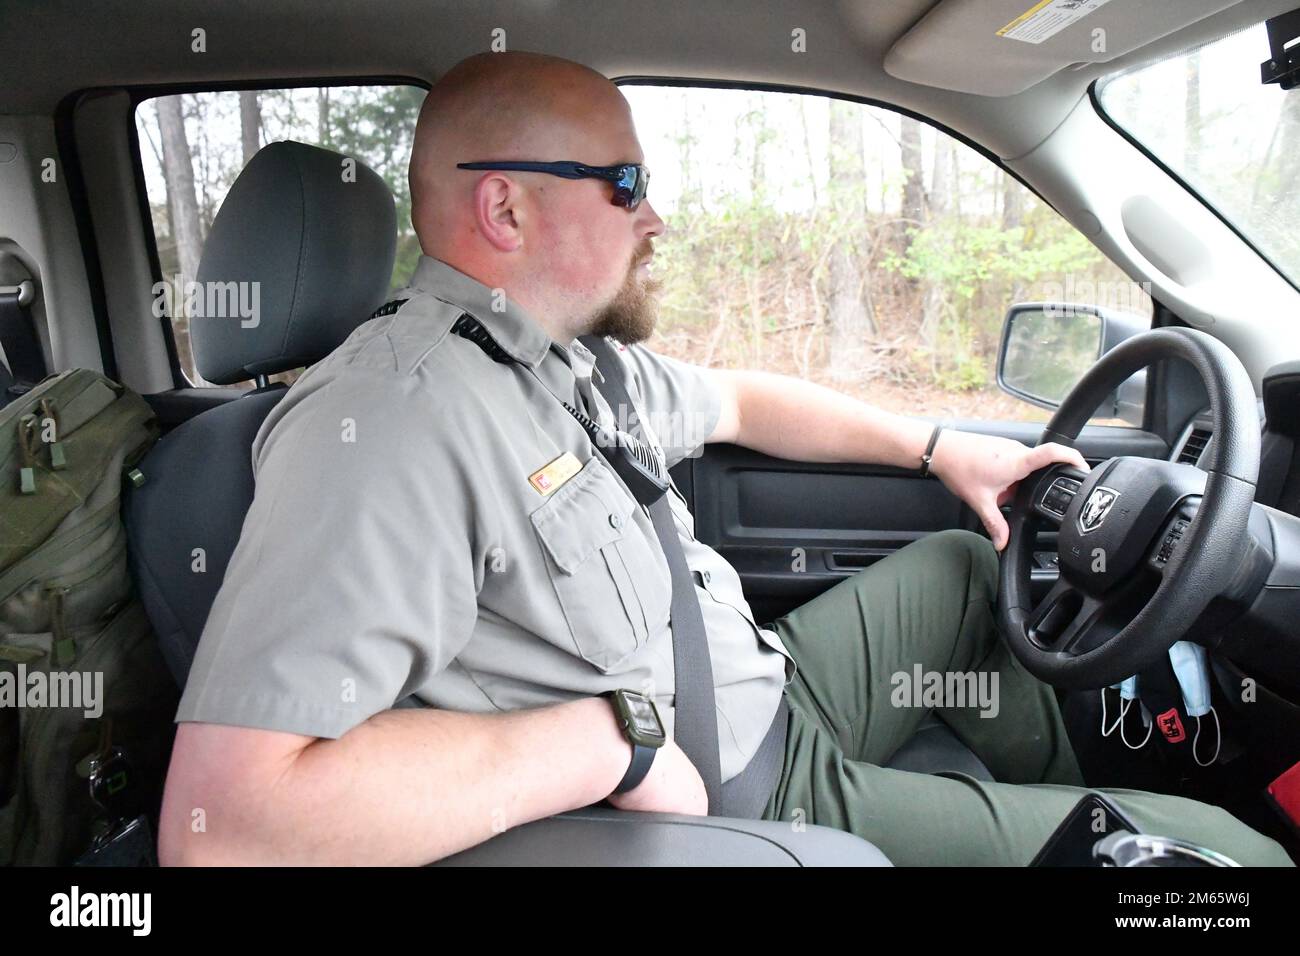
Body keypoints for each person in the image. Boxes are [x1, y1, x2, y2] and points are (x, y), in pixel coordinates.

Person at [157, 51, 1292, 867]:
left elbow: (742, 397)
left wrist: (944, 444)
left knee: (958, 570)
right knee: (1236, 858)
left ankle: (1083, 805)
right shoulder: (392, 421)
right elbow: (231, 826)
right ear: (503, 205)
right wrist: (610, 739)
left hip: (763, 683)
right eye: (626, 184)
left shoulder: (553, 360)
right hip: (743, 780)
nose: (657, 218)